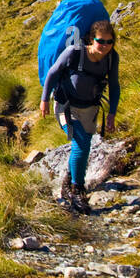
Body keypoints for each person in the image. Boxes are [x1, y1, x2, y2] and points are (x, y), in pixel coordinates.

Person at [39, 19, 119, 213]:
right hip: (65, 106)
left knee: (84, 145)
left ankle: (68, 181)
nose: (105, 46)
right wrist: (44, 100)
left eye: (109, 42)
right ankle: (77, 191)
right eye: (101, 41)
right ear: (92, 39)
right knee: (81, 142)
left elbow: (115, 85)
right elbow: (52, 73)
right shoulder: (74, 53)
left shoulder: (111, 58)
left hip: (90, 109)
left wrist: (111, 114)